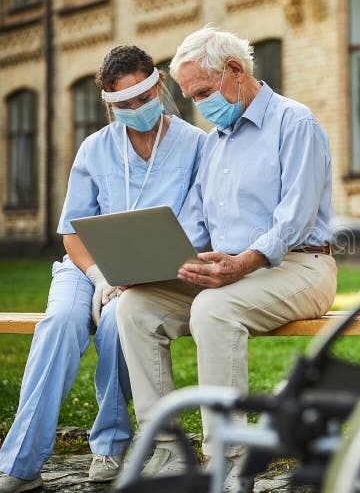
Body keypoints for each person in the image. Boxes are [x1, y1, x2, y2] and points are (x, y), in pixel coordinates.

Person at [115, 26, 337, 485]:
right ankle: (168, 449)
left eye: (202, 92)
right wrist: (153, 267)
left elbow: (294, 219)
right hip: (231, 271)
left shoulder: (295, 122)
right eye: (191, 97)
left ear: (235, 70)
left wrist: (244, 263)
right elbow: (196, 225)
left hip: (301, 266)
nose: (199, 105)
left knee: (213, 310)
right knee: (135, 308)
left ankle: (229, 462)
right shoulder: (215, 142)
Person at [0, 46, 207, 492]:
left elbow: (197, 230)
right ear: (109, 105)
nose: (135, 109)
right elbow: (72, 231)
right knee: (58, 324)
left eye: (143, 96)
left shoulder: (196, 146)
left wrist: (133, 276)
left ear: (161, 85)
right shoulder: (94, 148)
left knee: (117, 320)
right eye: (123, 104)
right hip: (86, 269)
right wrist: (98, 276)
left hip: (152, 273)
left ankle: (109, 447)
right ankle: (19, 465)